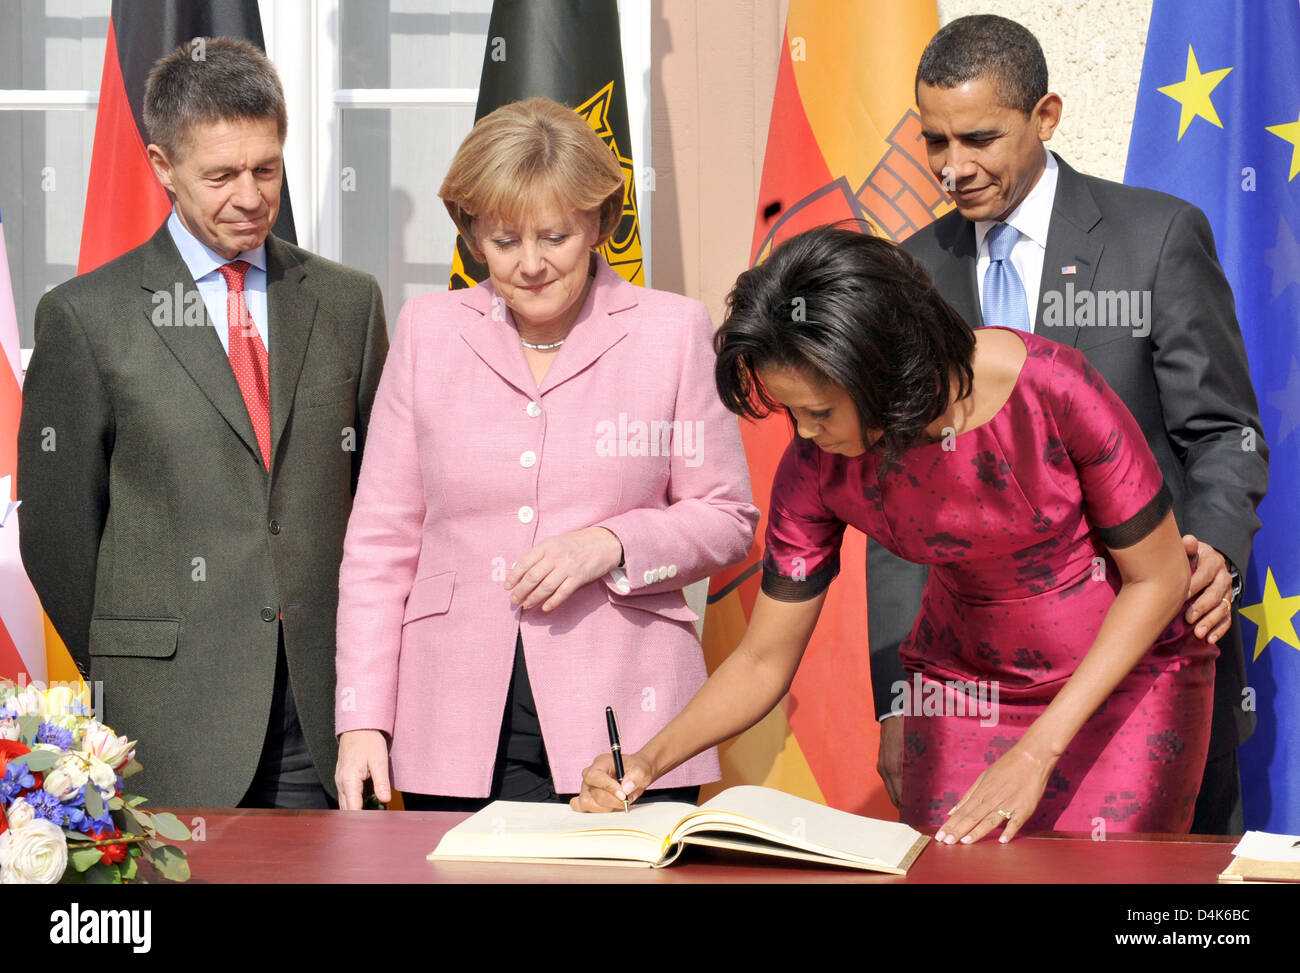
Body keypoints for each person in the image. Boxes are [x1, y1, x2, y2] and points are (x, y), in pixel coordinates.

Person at [573, 226, 1217, 844]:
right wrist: (647, 763)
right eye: (789, 410)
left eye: (820, 410)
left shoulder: (1050, 385)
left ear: (880, 370)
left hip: (1127, 680)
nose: (801, 432)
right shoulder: (814, 467)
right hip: (965, 692)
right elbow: (763, 658)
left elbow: (1158, 579)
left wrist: (1036, 751)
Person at [868, 15, 1267, 835]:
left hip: (1154, 664)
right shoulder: (909, 273)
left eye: (978, 138)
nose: (953, 168)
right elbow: (896, 517)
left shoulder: (1156, 237)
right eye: (933, 143)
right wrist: (894, 700)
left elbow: (1225, 432)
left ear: (1045, 116)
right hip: (975, 698)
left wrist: (1215, 550)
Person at [333, 97, 757, 812]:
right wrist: (362, 717)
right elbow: (380, 541)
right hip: (452, 720)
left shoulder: (673, 330)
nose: (529, 265)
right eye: (503, 241)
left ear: (597, 221)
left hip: (634, 720)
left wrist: (612, 542)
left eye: (555, 236)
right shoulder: (427, 330)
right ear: (471, 234)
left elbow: (727, 517)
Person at [16, 38, 389, 808]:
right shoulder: (86, 317)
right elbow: (57, 532)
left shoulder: (349, 304)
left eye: (266, 168)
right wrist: (141, 657)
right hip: (167, 726)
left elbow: (384, 503)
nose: (250, 195)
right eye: (221, 175)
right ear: (161, 166)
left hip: (323, 721)